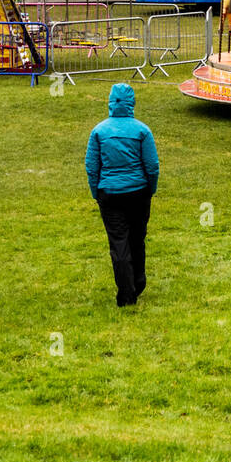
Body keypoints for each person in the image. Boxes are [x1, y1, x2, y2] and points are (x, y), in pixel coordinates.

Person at [85, 83, 159, 307]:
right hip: (138, 192)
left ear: (110, 101)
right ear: (132, 103)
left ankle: (126, 292)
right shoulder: (141, 131)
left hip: (110, 194)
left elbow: (91, 166)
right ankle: (138, 279)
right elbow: (152, 165)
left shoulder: (99, 131)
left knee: (118, 242)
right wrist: (151, 188)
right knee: (137, 238)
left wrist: (96, 191)